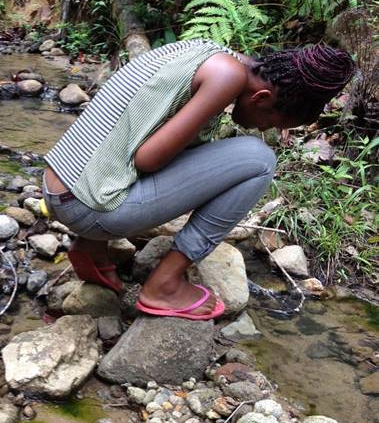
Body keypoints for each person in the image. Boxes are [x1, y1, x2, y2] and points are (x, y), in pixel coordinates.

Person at [43, 40, 355, 320]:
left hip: (60, 185)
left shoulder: (211, 52)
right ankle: (164, 284)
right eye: (271, 120)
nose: (264, 127)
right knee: (260, 160)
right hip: (87, 207)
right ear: (262, 97)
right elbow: (147, 159)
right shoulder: (226, 77)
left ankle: (92, 247)